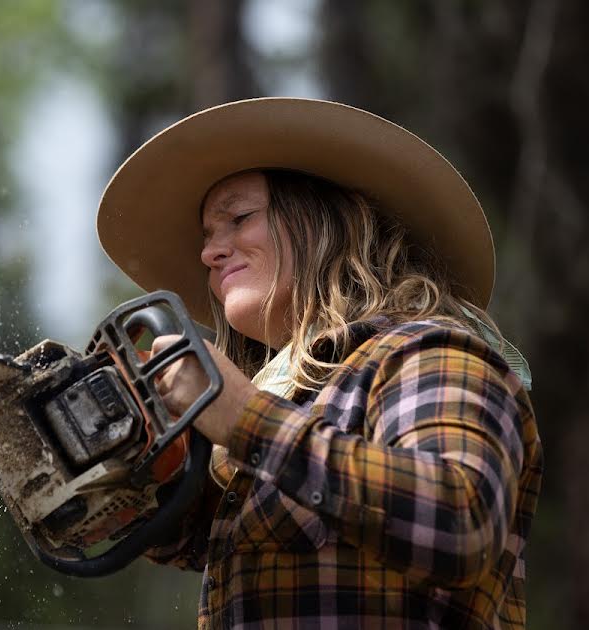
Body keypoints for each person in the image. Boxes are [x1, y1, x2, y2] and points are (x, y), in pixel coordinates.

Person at [95, 98, 541, 628]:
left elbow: (460, 520)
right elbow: (187, 531)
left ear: (326, 221)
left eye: (238, 218)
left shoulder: (428, 352)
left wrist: (242, 416)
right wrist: (115, 463)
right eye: (207, 237)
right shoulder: (281, 414)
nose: (208, 253)